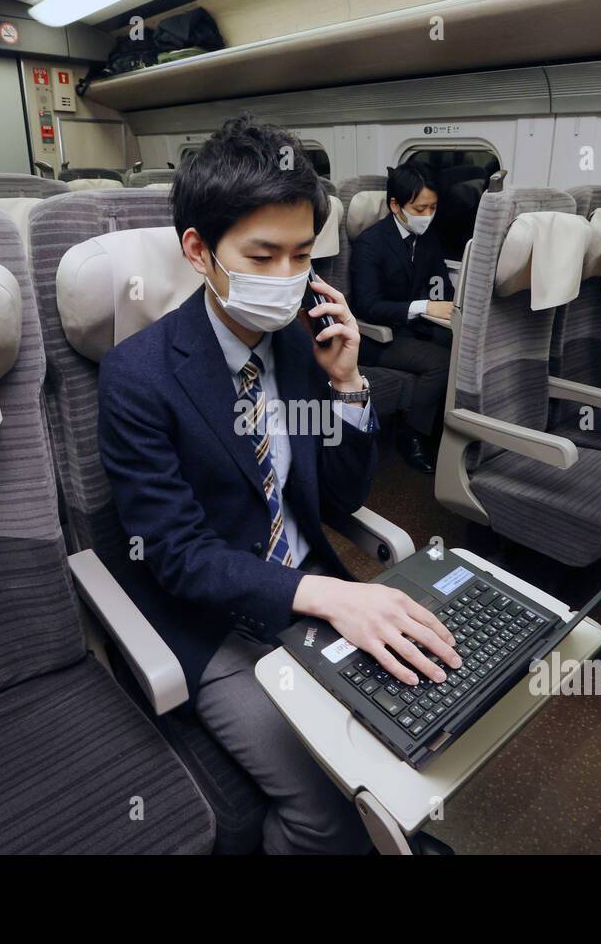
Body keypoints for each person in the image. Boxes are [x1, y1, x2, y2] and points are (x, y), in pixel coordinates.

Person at [97, 116, 462, 854]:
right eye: (261, 256)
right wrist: (328, 595)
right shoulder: (139, 376)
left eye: (301, 256)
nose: (285, 277)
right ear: (199, 251)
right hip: (212, 625)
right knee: (323, 809)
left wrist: (350, 384)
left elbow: (339, 495)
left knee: (420, 724)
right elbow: (175, 554)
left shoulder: (300, 343)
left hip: (309, 587)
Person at [349, 161, 455, 473]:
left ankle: (445, 425)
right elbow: (367, 306)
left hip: (415, 327)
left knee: (462, 346)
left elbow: (441, 286)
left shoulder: (428, 238)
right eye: (420, 209)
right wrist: (425, 307)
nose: (427, 216)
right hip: (378, 336)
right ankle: (412, 436)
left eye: (433, 208)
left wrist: (442, 306)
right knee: (442, 363)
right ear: (395, 205)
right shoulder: (371, 243)